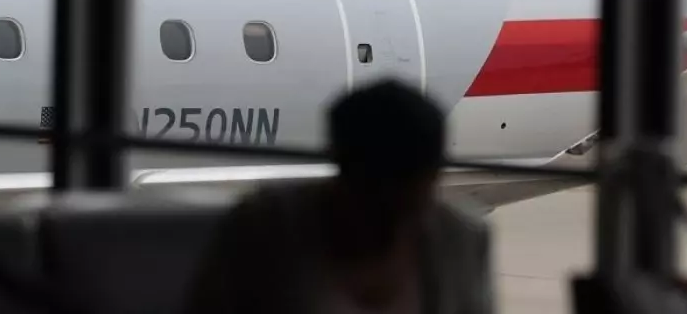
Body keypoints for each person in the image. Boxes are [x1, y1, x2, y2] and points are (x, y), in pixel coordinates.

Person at [183, 80, 493, 314]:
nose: (387, 204)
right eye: (374, 184)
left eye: (406, 184)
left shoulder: (458, 240)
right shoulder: (266, 227)